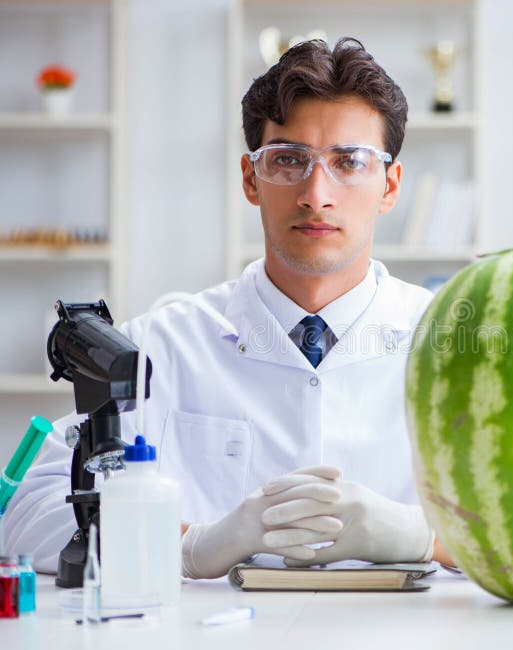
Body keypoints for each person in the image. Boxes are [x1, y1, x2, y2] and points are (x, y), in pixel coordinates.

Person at [5, 37, 455, 578]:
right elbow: (29, 511)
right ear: (250, 178)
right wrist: (191, 544)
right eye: (288, 160)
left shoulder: (454, 347)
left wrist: (426, 536)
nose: (317, 193)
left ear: (389, 186)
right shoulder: (162, 344)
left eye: (349, 162)